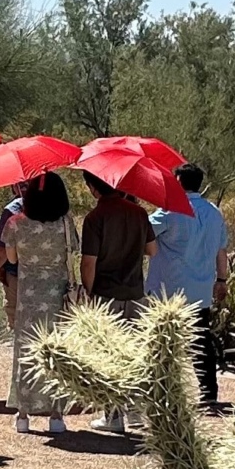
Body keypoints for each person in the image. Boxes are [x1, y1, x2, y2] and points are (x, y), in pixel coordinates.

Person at [147, 163, 230, 408]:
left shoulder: (170, 210)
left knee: (163, 341)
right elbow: (221, 249)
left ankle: (163, 391)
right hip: (200, 288)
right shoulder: (214, 212)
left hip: (169, 288)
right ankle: (208, 391)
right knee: (201, 339)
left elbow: (145, 232)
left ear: (179, 180)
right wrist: (222, 279)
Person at [80, 171, 157, 434]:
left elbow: (89, 262)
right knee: (134, 353)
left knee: (108, 355)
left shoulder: (95, 218)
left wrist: (88, 294)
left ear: (93, 188)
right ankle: (135, 411)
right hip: (135, 292)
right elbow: (152, 250)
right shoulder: (139, 213)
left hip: (105, 293)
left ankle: (113, 415)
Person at [4, 172, 80, 433]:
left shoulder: (15, 224)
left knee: (26, 353)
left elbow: (12, 260)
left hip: (28, 298)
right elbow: (73, 253)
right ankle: (56, 414)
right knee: (56, 353)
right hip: (57, 297)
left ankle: (23, 413)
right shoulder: (65, 223)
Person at [0, 182, 27, 330]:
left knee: (18, 323)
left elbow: (2, 250)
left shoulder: (12, 211)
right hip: (51, 277)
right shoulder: (58, 210)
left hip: (16, 273)